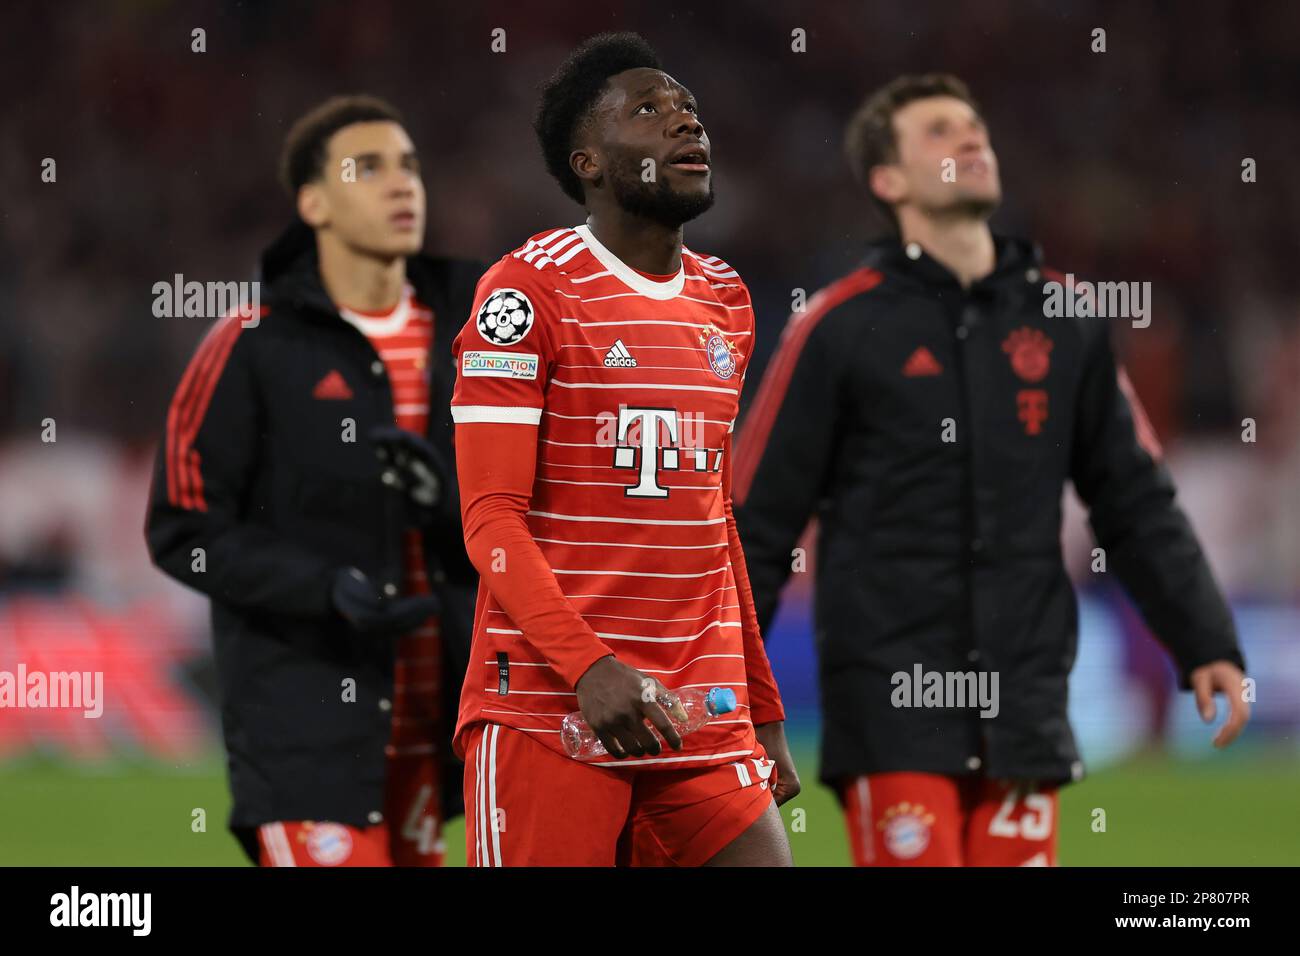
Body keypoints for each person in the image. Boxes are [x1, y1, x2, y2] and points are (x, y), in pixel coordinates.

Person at [734, 73, 1249, 867]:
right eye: (938, 132)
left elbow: (1134, 497)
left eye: (974, 128)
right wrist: (734, 691)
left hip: (1023, 703)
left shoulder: (1065, 316)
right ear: (888, 180)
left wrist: (1204, 636)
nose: (970, 141)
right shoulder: (838, 327)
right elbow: (757, 523)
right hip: (891, 701)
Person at [448, 32, 796, 866]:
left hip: (697, 717)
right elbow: (491, 519)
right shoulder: (525, 293)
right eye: (650, 110)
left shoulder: (726, 302)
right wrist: (588, 667)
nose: (686, 124)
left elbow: (712, 518)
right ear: (590, 163)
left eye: (690, 110)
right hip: (548, 711)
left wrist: (761, 705)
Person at [145, 95, 481, 866]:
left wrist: (447, 512)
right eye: (370, 168)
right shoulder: (251, 343)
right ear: (313, 202)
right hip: (305, 737)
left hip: (440, 733)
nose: (402, 186)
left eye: (411, 167)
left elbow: (532, 512)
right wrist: (322, 587)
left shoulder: (475, 338)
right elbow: (183, 530)